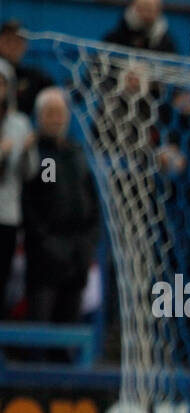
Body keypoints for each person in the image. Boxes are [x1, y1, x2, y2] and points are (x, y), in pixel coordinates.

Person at [22, 87, 100, 330]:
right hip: (47, 255)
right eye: (50, 113)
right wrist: (46, 240)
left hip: (78, 253)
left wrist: (88, 241)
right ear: (39, 116)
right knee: (42, 325)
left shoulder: (77, 153)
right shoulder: (43, 157)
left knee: (70, 323)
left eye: (60, 113)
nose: (56, 119)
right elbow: (40, 199)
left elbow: (91, 199)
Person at [0, 61, 36, 320]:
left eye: (2, 83)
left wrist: (24, 153)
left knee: (2, 280)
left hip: (7, 214)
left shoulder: (20, 122)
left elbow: (35, 172)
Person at [0, 20, 54, 118]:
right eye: (8, 40)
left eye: (18, 41)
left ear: (25, 45)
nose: (12, 46)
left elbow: (61, 98)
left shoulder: (34, 77)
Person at [102, 0, 179, 54]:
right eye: (143, 8)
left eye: (151, 10)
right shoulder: (115, 38)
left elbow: (173, 71)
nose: (146, 14)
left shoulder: (166, 44)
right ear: (134, 8)